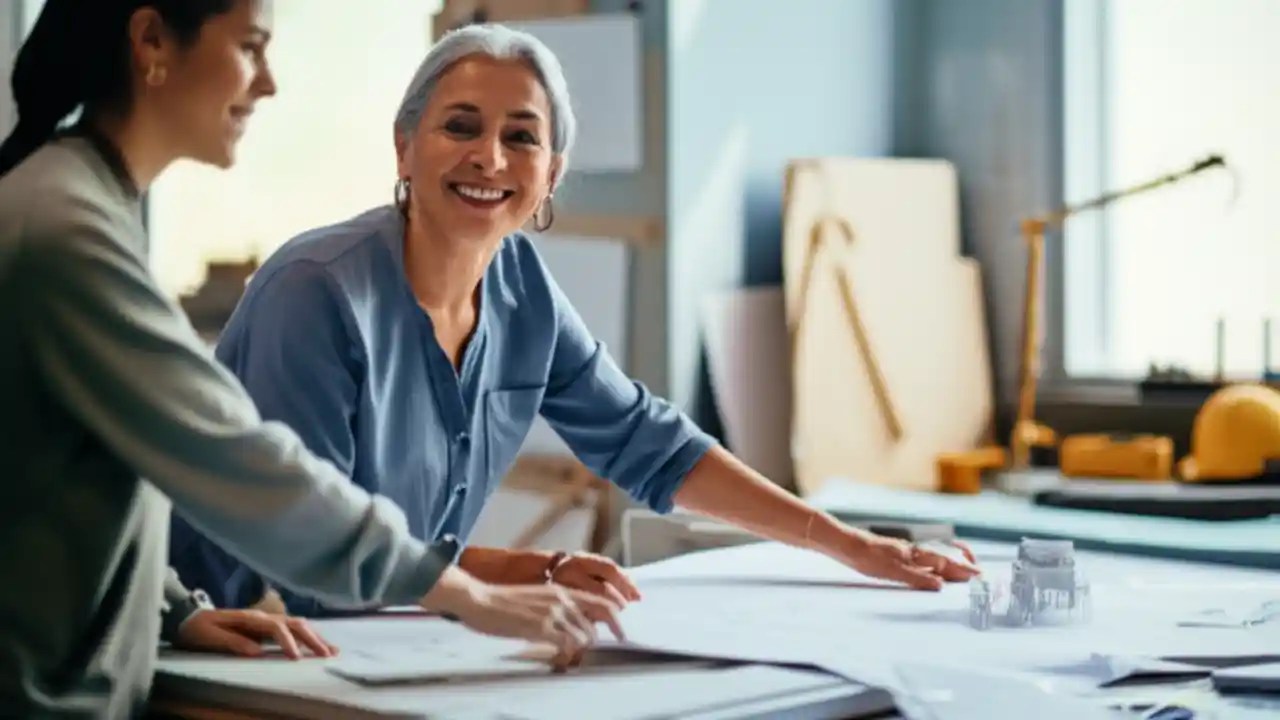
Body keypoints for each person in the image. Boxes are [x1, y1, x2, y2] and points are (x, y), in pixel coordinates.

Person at [169, 22, 981, 620]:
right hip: (216, 643)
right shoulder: (316, 292)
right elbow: (315, 563)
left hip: (375, 642)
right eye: (460, 126)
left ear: (551, 175)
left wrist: (849, 546)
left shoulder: (521, 289)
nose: (489, 157)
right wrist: (530, 571)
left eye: (521, 137)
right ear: (404, 148)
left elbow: (650, 443)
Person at [0, 2, 626, 716]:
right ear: (151, 41)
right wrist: (467, 595)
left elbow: (94, 471)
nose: (267, 82)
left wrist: (174, 610)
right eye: (250, 47)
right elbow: (237, 462)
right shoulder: (68, 230)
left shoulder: (78, 203)